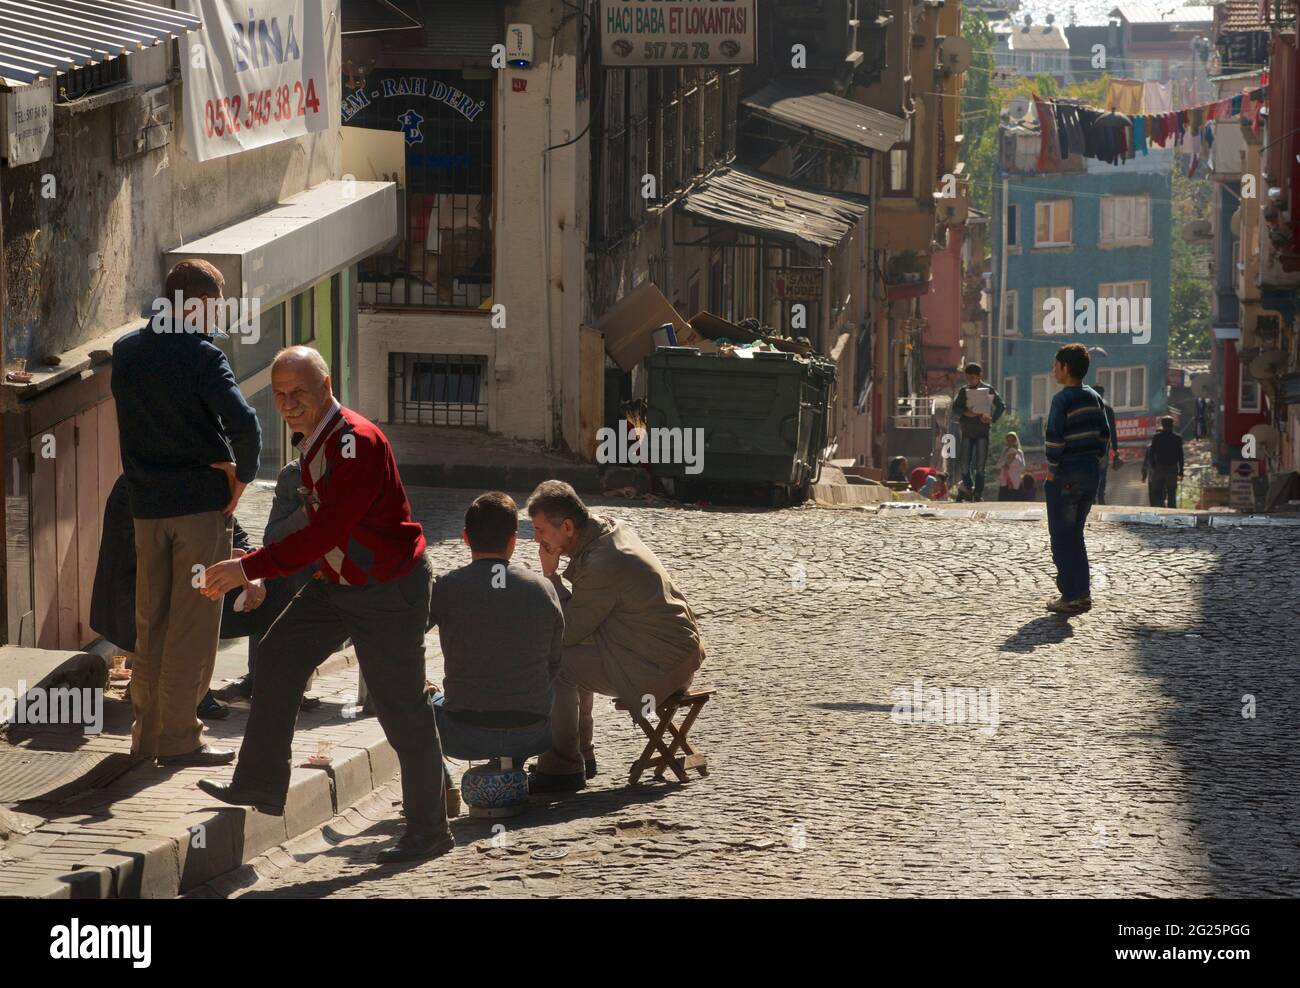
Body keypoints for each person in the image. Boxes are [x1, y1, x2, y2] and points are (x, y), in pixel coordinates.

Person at [196, 347, 450, 865]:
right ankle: (260, 785)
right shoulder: (319, 437)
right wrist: (260, 568)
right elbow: (320, 534)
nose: (288, 405)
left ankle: (431, 828)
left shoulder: (355, 443)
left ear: (327, 387)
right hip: (339, 583)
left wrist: (250, 567)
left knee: (400, 708)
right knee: (277, 655)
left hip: (387, 589)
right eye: (280, 395)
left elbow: (326, 529)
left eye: (299, 395)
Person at [110, 259, 261, 766]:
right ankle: (180, 739)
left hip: (146, 509)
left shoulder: (126, 353)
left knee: (150, 623)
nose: (220, 313)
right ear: (196, 305)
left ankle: (145, 736)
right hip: (197, 509)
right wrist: (239, 480)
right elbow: (246, 425)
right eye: (216, 303)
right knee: (193, 625)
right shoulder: (202, 357)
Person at [525, 481, 705, 793]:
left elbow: (570, 631)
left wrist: (551, 575)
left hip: (660, 667)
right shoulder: (610, 529)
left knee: (555, 663)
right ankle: (581, 754)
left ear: (567, 526)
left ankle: (562, 768)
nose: (536, 538)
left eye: (540, 530)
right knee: (572, 654)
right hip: (674, 652)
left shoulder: (602, 562)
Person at [426, 492, 563, 771]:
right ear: (513, 540)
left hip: (463, 730)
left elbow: (407, 638)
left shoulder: (445, 588)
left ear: (465, 538)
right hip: (532, 731)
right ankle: (514, 766)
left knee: (411, 699)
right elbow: (554, 661)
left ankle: (439, 791)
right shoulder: (542, 589)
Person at [1043, 343, 1111, 615]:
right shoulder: (1094, 396)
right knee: (1076, 534)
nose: (1053, 369)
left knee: (1062, 536)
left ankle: (1071, 595)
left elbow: (1054, 437)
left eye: (1055, 364)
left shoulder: (1062, 399)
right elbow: (1105, 435)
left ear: (1066, 368)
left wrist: (1052, 467)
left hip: (1067, 472)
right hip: (1090, 471)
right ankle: (1081, 593)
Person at [951, 363, 1005, 502]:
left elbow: (1001, 405)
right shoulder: (963, 391)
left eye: (973, 377)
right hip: (967, 431)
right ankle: (968, 488)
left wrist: (992, 419)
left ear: (980, 376)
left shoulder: (988, 389)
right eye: (968, 378)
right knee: (964, 465)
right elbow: (955, 408)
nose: (970, 380)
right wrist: (965, 412)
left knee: (980, 466)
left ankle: (978, 494)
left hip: (982, 431)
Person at [1142, 416, 1184, 508]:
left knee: (1158, 490)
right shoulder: (1177, 438)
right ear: (1172, 425)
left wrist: (1153, 466)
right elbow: (1180, 456)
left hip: (1159, 467)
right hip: (1172, 468)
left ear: (1162, 425)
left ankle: (1160, 509)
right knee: (1171, 491)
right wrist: (1181, 471)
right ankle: (1172, 511)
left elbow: (1152, 453)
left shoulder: (1157, 437)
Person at [1094, 385, 1120, 504]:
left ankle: (1093, 497)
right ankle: (1101, 496)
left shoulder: (1088, 409)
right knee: (1102, 473)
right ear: (1103, 395)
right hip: (1103, 448)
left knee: (1091, 472)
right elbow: (1112, 431)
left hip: (1089, 449)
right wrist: (1115, 449)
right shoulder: (1108, 410)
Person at [997, 433, 1026, 501]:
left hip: (1015, 482)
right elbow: (999, 464)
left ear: (1015, 441)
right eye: (1008, 440)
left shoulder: (1019, 453)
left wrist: (1012, 463)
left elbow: (1023, 466)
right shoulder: (1004, 451)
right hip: (1005, 482)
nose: (1010, 442)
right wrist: (1006, 461)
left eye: (1012, 440)